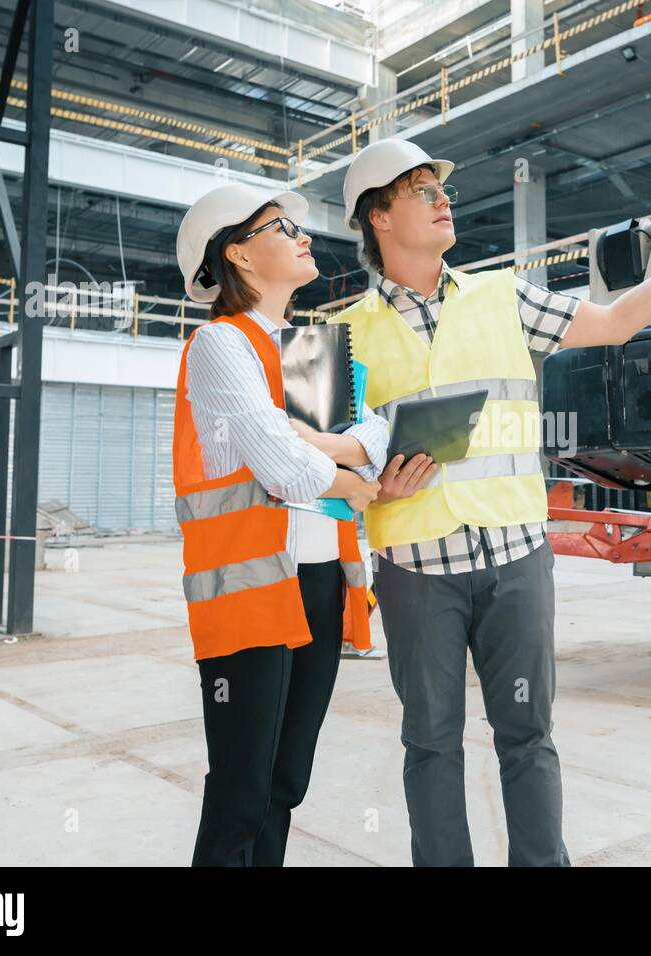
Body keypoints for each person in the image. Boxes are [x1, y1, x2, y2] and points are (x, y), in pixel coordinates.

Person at [332, 139, 651, 866]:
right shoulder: (341, 333)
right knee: (431, 744)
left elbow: (614, 323)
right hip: (414, 570)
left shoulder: (500, 295)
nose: (444, 199)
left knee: (528, 738)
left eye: (442, 188)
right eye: (420, 190)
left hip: (515, 561)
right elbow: (316, 463)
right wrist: (372, 486)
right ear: (377, 216)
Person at [172, 182, 434, 866]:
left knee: (286, 782)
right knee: (241, 787)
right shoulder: (218, 346)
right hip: (248, 591)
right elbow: (280, 463)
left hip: (319, 582)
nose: (303, 236)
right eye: (282, 227)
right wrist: (352, 475)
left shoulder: (310, 352)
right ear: (239, 254)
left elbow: (377, 431)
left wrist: (339, 451)